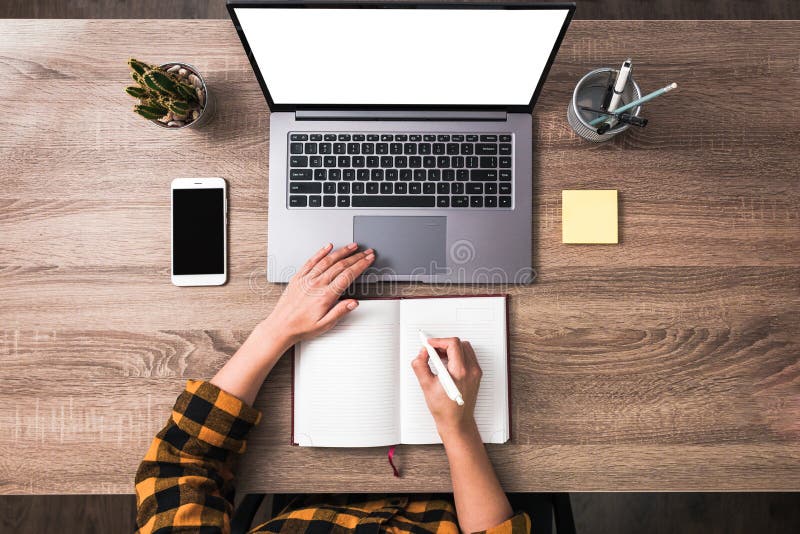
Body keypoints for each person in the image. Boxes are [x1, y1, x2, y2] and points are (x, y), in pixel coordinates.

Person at [135, 243, 530, 533]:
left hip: (309, 502)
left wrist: (277, 329)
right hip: (459, 502)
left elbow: (180, 466)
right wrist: (458, 430)